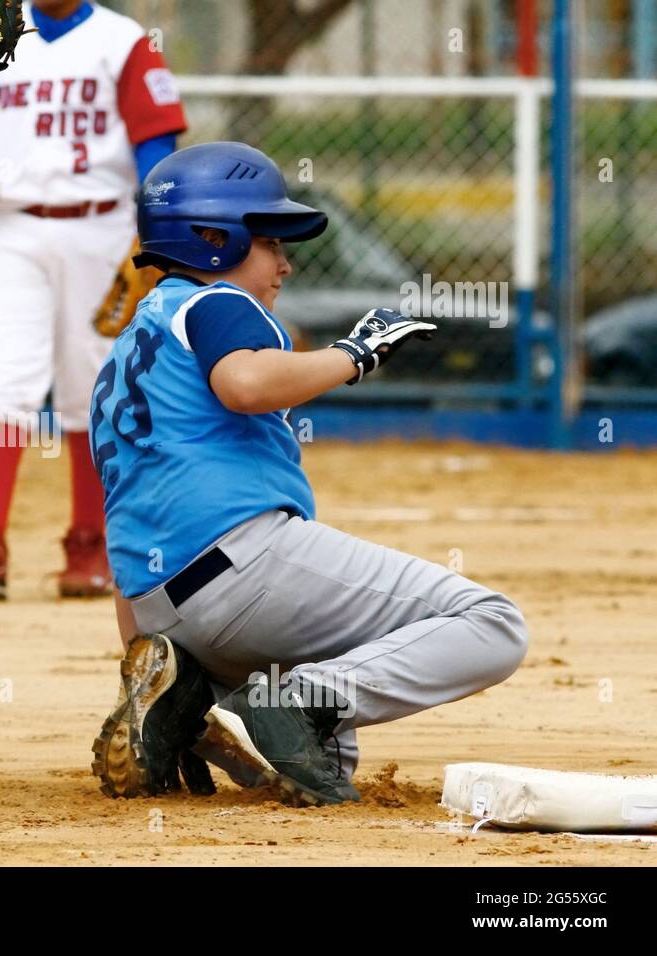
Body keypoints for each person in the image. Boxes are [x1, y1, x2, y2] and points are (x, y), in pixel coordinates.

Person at [88, 142, 529, 806]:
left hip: (164, 611)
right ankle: (284, 701)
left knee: (326, 757)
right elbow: (245, 382)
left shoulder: (125, 356)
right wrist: (355, 353)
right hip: (244, 570)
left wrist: (147, 654)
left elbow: (122, 518)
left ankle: (193, 706)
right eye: (269, 241)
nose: (285, 263)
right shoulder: (213, 303)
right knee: (492, 621)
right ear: (213, 239)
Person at [0, 0, 187, 599]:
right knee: (2, 379)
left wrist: (150, 230)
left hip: (103, 226)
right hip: (13, 227)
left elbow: (157, 139)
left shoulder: (121, 39)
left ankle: (91, 543)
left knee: (94, 384)